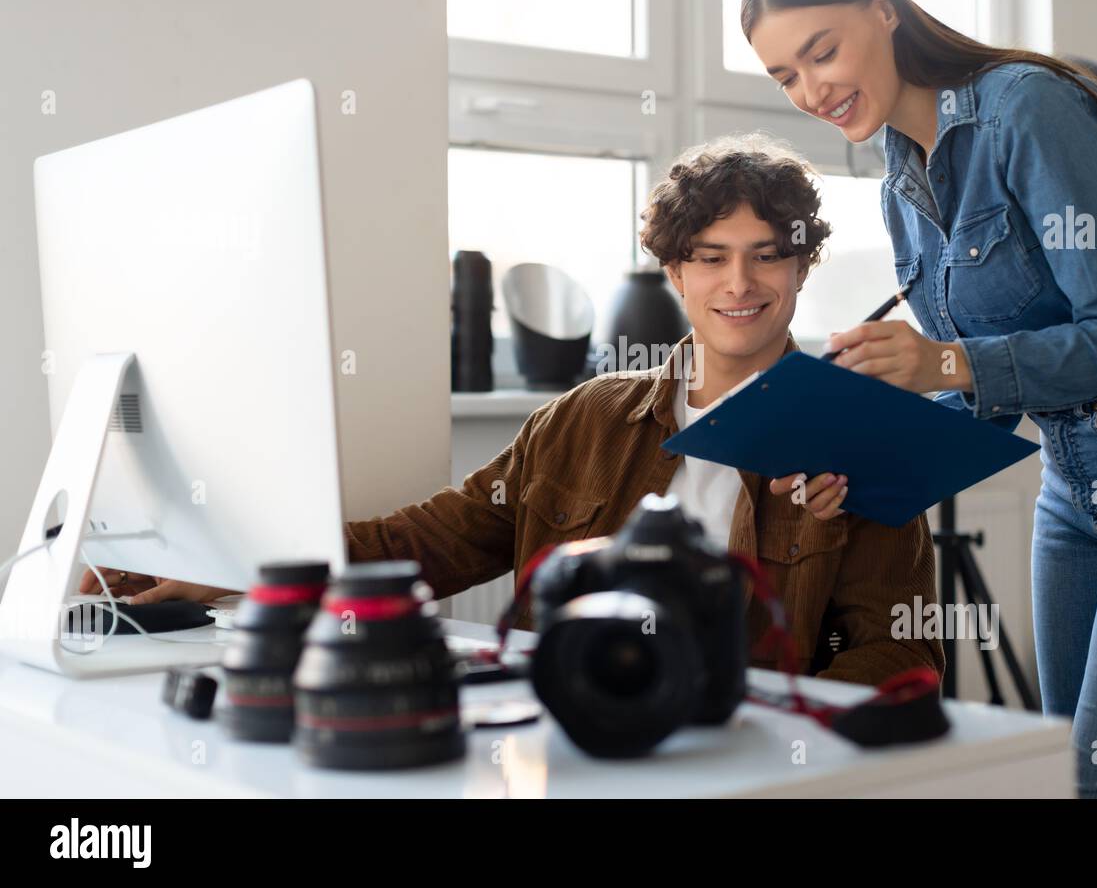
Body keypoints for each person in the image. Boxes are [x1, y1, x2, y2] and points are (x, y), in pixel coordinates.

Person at [85, 134, 944, 687]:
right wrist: (233, 570)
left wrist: (761, 716)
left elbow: (902, 651)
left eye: (767, 258)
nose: (740, 284)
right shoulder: (582, 423)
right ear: (675, 275)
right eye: (710, 258)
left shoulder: (855, 436)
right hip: (561, 732)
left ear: (801, 270)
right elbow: (417, 547)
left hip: (740, 755)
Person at [744, 0, 1097, 794]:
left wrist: (943, 361)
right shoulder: (897, 180)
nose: (812, 90)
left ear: (884, 8)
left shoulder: (1028, 106)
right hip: (1073, 484)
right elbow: (984, 395)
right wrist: (851, 439)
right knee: (1062, 777)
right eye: (785, 77)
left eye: (822, 51)